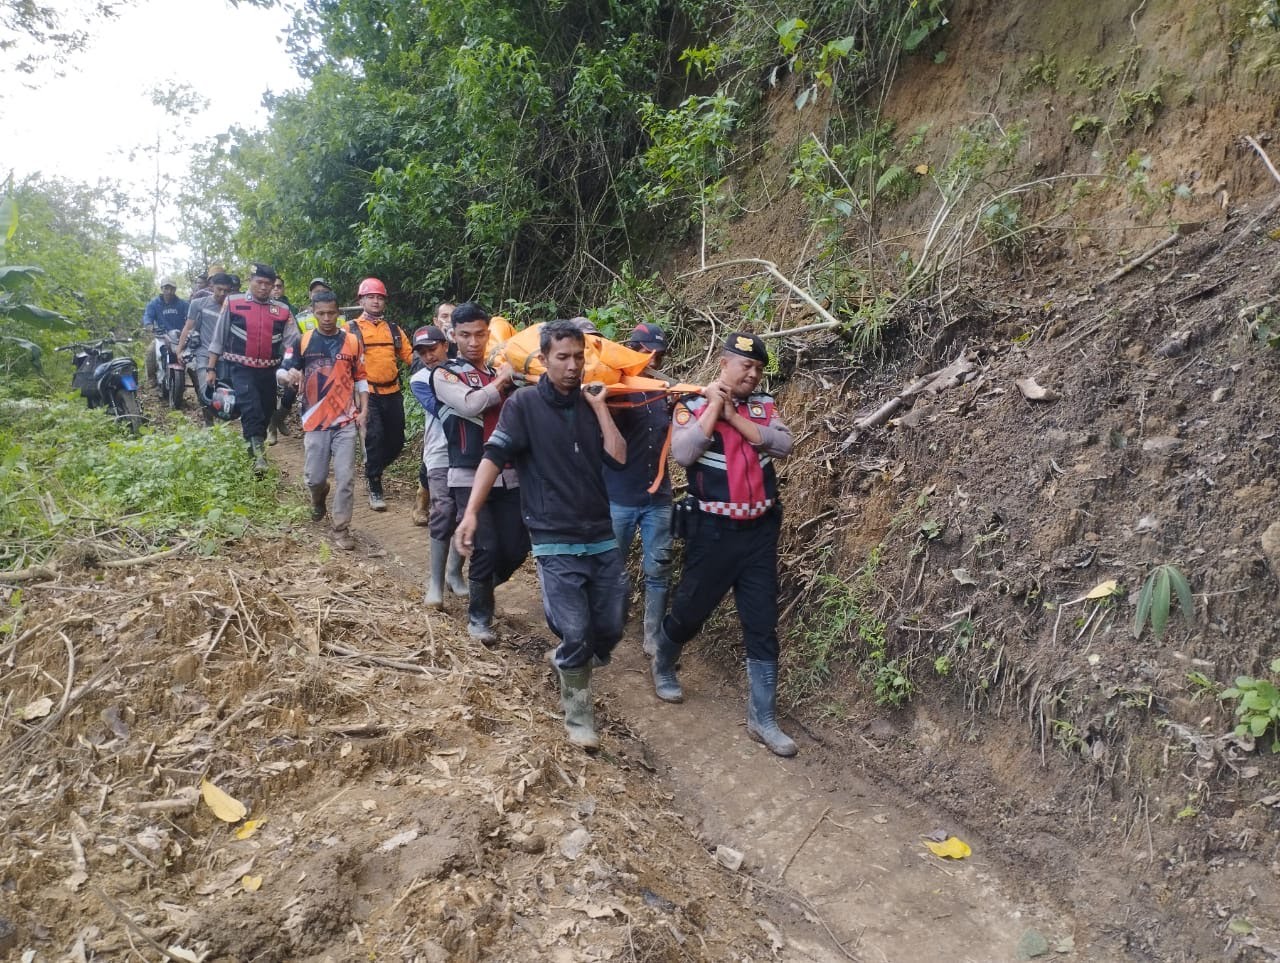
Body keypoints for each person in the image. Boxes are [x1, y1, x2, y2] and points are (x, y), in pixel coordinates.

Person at [455, 320, 626, 749]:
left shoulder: (593, 401)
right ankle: (578, 716)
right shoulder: (524, 405)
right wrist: (471, 512)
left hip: (601, 533)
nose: (571, 367)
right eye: (562, 358)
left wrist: (602, 407)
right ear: (545, 359)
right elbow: (494, 456)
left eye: (578, 358)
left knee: (611, 626)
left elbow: (619, 459)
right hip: (553, 536)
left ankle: (570, 659)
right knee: (577, 630)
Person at [650, 331, 798, 758]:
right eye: (744, 365)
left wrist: (738, 419)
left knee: (762, 621)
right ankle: (664, 658)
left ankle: (763, 718)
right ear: (723, 363)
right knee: (691, 610)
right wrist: (716, 408)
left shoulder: (764, 407)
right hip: (712, 532)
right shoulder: (692, 405)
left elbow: (784, 444)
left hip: (759, 532)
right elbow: (683, 453)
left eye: (757, 368)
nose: (751, 374)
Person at [432, 302, 528, 643]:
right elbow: (471, 404)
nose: (473, 342)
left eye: (480, 334)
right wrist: (502, 383)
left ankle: (480, 588)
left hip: (510, 473)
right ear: (452, 336)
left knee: (518, 546)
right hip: (468, 475)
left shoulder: (499, 369)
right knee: (485, 546)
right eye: (465, 335)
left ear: (489, 334)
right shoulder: (445, 374)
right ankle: (479, 618)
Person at [278, 291, 368, 552]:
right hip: (314, 421)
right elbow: (282, 371)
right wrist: (288, 375)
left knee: (346, 478)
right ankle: (318, 498)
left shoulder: (351, 341)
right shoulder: (303, 340)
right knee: (314, 479)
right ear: (313, 313)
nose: (327, 318)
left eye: (331, 313)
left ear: (339, 312)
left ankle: (341, 528)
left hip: (345, 421)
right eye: (321, 313)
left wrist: (364, 410)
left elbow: (361, 378)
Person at [607, 322, 673, 656]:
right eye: (645, 351)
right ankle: (611, 624)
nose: (651, 358)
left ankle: (653, 637)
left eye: (657, 353)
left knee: (659, 568)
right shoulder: (612, 387)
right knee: (612, 564)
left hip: (659, 497)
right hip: (619, 494)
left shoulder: (666, 390)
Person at [205, 262, 296, 473]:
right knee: (250, 407)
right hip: (240, 367)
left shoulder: (282, 310)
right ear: (250, 281)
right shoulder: (233, 302)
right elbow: (219, 337)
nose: (263, 287)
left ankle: (255, 446)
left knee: (266, 409)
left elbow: (293, 342)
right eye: (259, 282)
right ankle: (259, 457)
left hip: (270, 370)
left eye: (268, 283)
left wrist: (293, 365)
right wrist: (211, 368)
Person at [408, 325, 468, 606]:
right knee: (443, 510)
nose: (428, 356)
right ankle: (435, 583)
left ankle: (455, 572)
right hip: (440, 451)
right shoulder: (419, 379)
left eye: (432, 349)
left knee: (467, 513)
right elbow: (440, 408)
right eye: (422, 352)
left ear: (446, 345)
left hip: (470, 450)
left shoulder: (465, 367)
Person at [350, 277, 413, 510]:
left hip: (393, 391)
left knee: (397, 441)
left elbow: (410, 357)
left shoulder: (393, 329)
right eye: (371, 297)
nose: (376, 301)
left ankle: (372, 470)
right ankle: (375, 484)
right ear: (361, 300)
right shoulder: (351, 329)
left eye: (379, 297)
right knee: (374, 437)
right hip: (368, 393)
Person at [177, 272, 233, 426]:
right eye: (219, 289)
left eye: (226, 290)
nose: (222, 293)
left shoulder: (233, 308)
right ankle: (209, 425)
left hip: (226, 357)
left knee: (224, 393)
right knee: (205, 391)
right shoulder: (198, 304)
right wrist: (180, 350)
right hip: (203, 354)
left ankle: (222, 426)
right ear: (211, 287)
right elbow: (188, 327)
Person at [142, 277, 189, 393]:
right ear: (162, 289)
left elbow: (190, 317)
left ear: (175, 289)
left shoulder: (182, 304)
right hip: (161, 336)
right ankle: (152, 379)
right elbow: (148, 316)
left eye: (171, 288)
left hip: (179, 337)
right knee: (150, 352)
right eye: (166, 288)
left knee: (191, 356)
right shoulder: (155, 303)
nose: (168, 291)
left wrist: (189, 328)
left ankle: (196, 383)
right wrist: (149, 325)